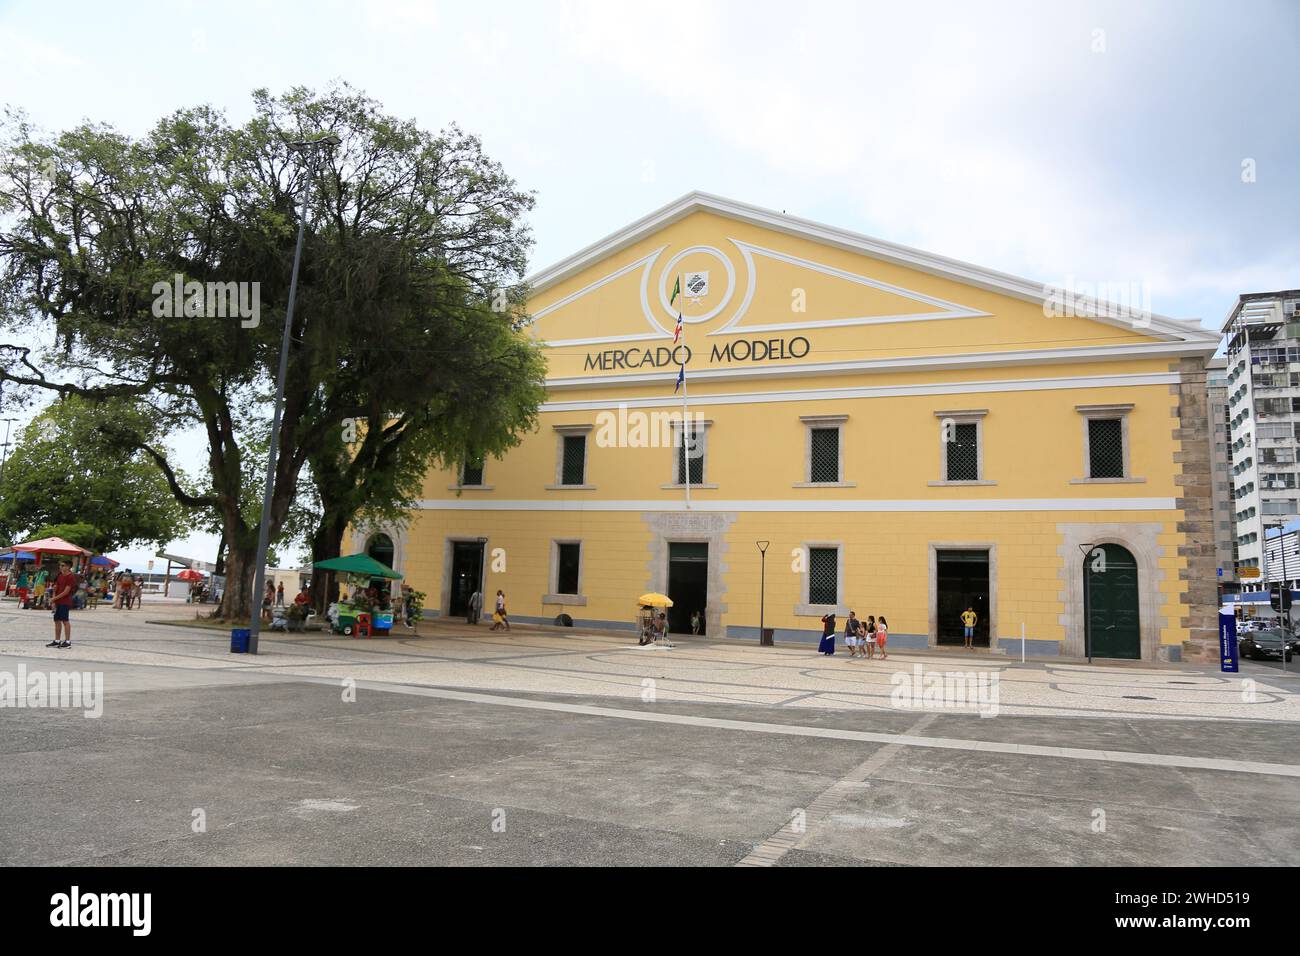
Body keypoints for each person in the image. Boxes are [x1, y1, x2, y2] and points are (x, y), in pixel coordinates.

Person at [45, 560, 79, 649]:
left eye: (63, 565)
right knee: (57, 620)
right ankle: (57, 640)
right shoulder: (59, 575)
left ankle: (67, 641)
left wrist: (53, 599)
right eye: (60, 565)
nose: (61, 567)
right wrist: (53, 599)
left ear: (68, 567)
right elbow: (55, 587)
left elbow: (66, 592)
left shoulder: (70, 577)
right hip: (58, 601)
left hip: (65, 601)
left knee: (65, 620)